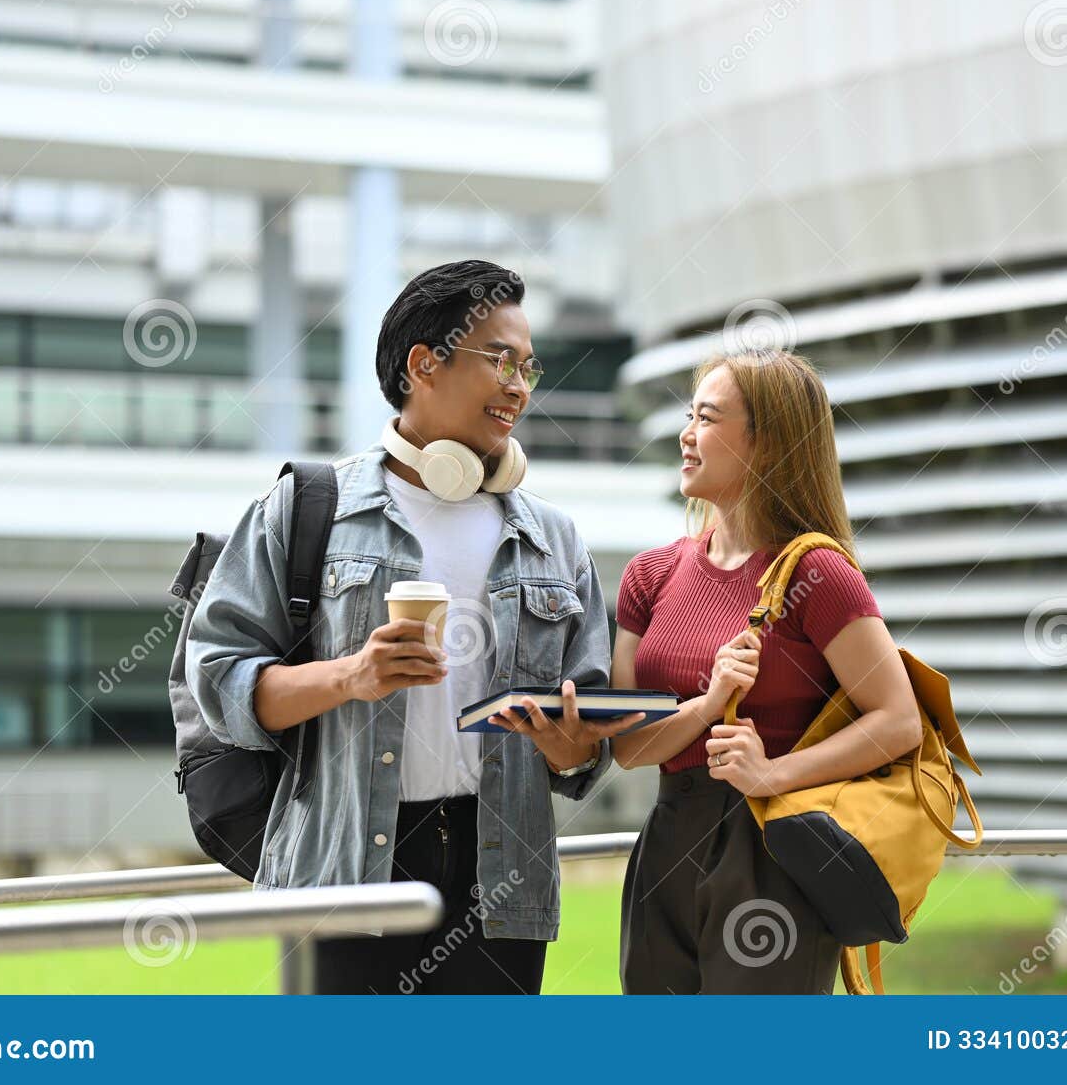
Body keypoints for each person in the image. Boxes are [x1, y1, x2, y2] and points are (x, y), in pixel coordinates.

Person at [187, 260, 638, 994]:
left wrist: (569, 744)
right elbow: (222, 685)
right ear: (424, 363)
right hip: (342, 875)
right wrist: (349, 675)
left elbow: (582, 743)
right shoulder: (308, 509)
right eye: (501, 361)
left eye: (529, 366)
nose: (520, 386)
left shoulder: (555, 537)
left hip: (500, 883)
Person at [611, 348, 925, 994]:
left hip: (775, 851)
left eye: (707, 417)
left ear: (768, 442)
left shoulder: (817, 574)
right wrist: (707, 704)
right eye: (689, 415)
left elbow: (899, 720)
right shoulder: (652, 573)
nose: (686, 434)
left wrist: (772, 774)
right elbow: (628, 747)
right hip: (667, 839)